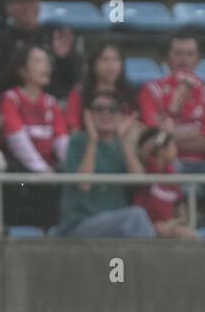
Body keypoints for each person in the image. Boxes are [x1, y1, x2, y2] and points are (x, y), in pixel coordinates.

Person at [139, 30, 205, 226]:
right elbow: (154, 142)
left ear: (197, 60)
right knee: (169, 177)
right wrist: (190, 134)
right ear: (168, 58)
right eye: (178, 54)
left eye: (189, 54)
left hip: (201, 165)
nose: (184, 60)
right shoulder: (151, 91)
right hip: (167, 162)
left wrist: (170, 133)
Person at [59, 91, 154, 238]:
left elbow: (140, 183)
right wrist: (93, 141)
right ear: (88, 115)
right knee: (136, 216)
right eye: (99, 109)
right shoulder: (78, 141)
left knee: (138, 217)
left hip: (116, 223)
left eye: (112, 109)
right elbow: (84, 184)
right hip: (80, 223)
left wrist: (125, 143)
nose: (105, 113)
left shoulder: (121, 146)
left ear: (119, 115)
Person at [0, 44, 68, 229]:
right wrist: (43, 171)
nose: (45, 66)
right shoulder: (11, 98)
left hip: (49, 171)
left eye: (47, 61)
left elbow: (62, 141)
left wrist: (71, 170)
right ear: (22, 70)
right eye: (38, 61)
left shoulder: (51, 103)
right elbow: (17, 140)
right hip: (22, 172)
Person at [0, 0, 80, 96]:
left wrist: (64, 59)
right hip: (14, 103)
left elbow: (72, 80)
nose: (28, 6)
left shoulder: (53, 36)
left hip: (52, 102)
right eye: (22, 1)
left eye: (33, 1)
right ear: (9, 7)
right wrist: (21, 61)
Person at [134, 127, 197, 238]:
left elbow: (182, 214)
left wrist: (174, 223)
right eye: (173, 146)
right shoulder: (150, 169)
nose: (176, 150)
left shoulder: (171, 176)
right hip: (147, 226)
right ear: (162, 150)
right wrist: (163, 133)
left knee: (188, 234)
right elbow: (146, 151)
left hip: (170, 226)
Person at [64, 41, 136, 133]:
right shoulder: (79, 93)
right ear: (93, 64)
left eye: (116, 59)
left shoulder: (128, 93)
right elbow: (73, 130)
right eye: (104, 59)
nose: (111, 65)